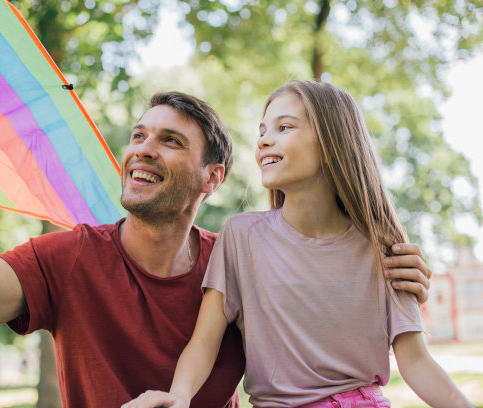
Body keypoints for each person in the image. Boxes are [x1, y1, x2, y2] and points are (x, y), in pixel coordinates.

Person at [0, 59, 431, 408]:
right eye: (139, 135)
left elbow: (330, 302)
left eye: (170, 141)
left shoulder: (244, 260)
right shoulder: (68, 258)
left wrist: (398, 270)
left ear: (212, 177)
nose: (141, 147)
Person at [122, 81, 472, 408]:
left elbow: (415, 359)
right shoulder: (241, 236)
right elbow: (204, 341)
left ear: (333, 143)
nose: (263, 141)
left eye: (283, 128)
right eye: (262, 131)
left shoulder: (384, 245)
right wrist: (179, 396)